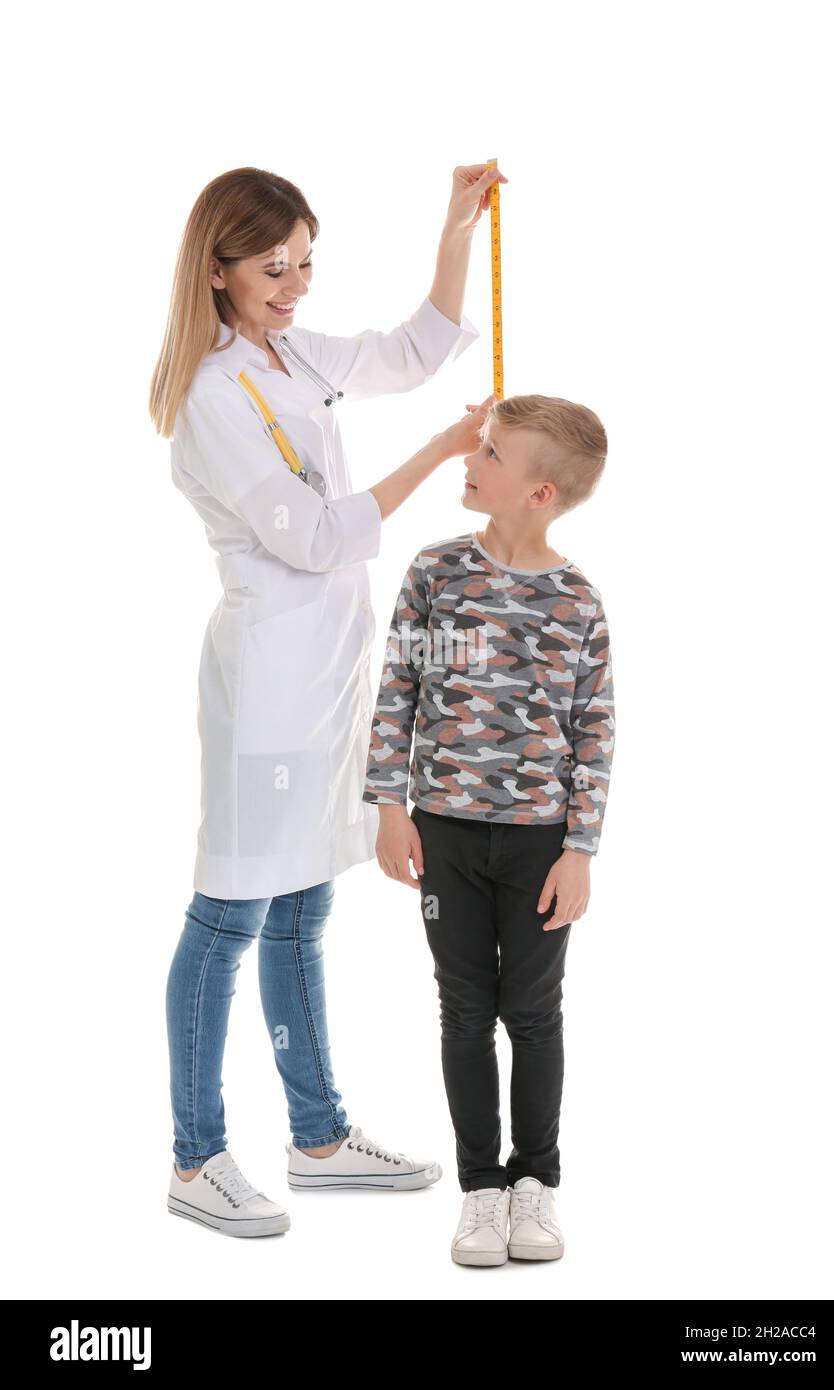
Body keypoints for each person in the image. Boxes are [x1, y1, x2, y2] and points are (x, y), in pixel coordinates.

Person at [148, 161, 507, 1237]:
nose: (295, 282)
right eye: (273, 266)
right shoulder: (212, 395)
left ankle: (316, 1138)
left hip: (327, 678)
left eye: (306, 260)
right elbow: (306, 536)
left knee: (306, 906)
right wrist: (438, 452)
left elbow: (411, 348)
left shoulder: (288, 350)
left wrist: (454, 228)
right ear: (217, 272)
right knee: (229, 917)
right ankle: (195, 1156)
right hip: (264, 686)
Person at [362, 392, 615, 1265]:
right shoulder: (435, 574)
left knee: (534, 1013)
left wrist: (580, 849)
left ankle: (534, 1184)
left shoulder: (579, 602)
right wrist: (390, 806)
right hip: (446, 835)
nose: (471, 458)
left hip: (542, 841)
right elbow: (397, 693)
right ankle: (480, 1191)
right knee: (464, 1009)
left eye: (492, 453)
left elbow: (594, 729)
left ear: (539, 493)